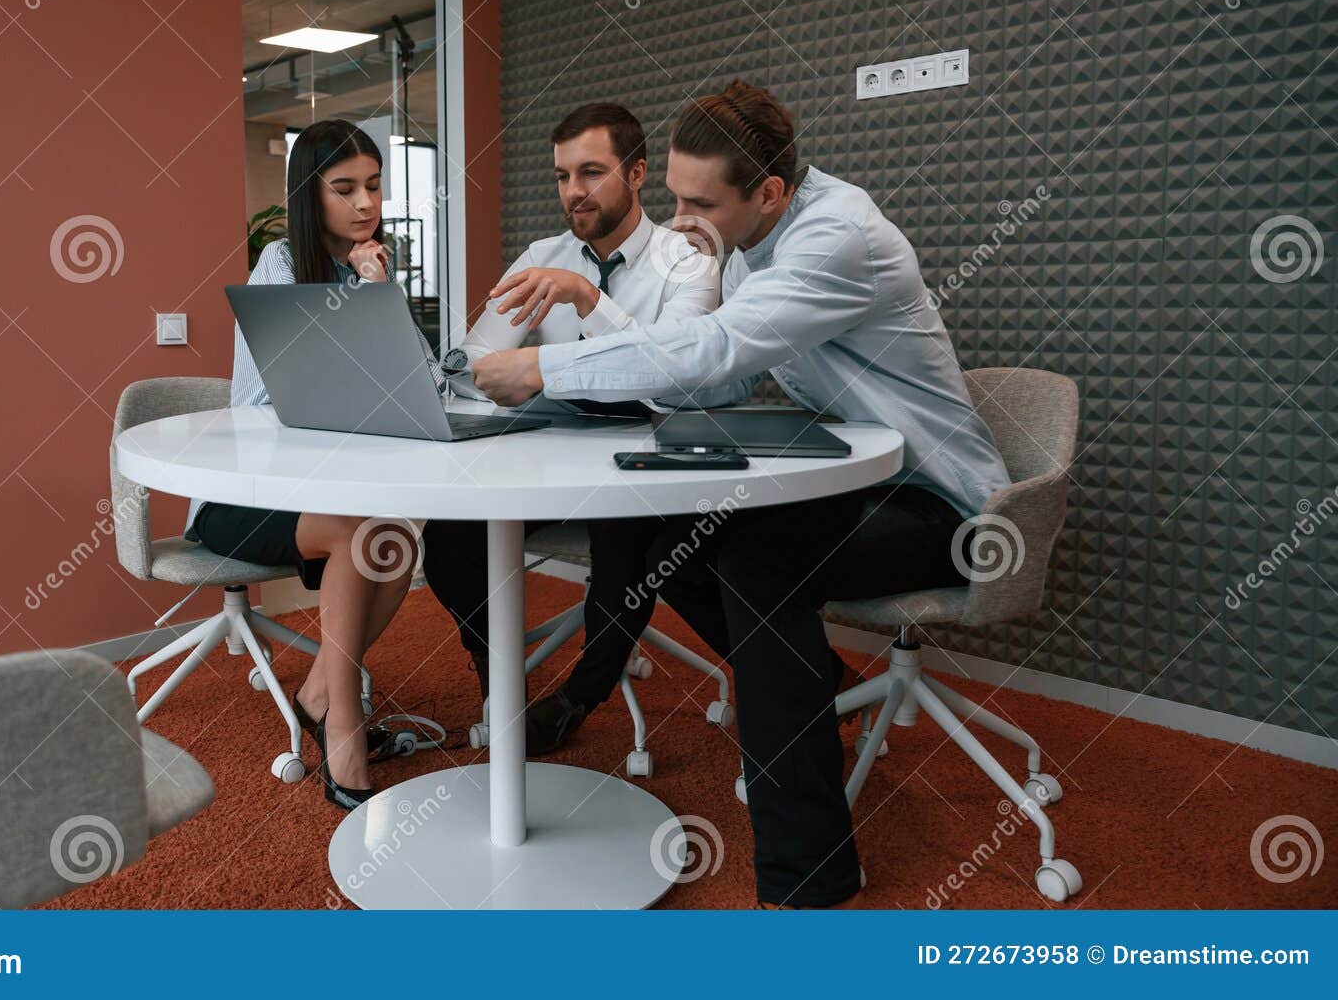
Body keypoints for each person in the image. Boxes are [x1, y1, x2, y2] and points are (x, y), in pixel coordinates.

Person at [471, 79, 1011, 907]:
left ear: (768, 191)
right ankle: (808, 684)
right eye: (676, 196)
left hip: (945, 505)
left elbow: (713, 350)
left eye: (699, 202)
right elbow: (709, 380)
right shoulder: (754, 240)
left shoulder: (836, 236)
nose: (681, 220)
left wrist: (547, 364)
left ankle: (808, 883)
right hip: (858, 477)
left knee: (759, 561)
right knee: (674, 532)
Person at [422, 102, 719, 752]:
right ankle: (498, 676)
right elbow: (477, 355)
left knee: (625, 542)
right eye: (561, 176)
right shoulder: (542, 256)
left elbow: (673, 375)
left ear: (637, 172)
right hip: (549, 455)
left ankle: (579, 696)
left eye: (590, 172)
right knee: (448, 539)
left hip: (646, 452)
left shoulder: (688, 261)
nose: (573, 192)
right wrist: (466, 363)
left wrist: (588, 299)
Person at [183, 118, 437, 811]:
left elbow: (420, 383)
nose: (365, 204)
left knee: (395, 540)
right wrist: (354, 303)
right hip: (245, 493)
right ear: (310, 193)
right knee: (364, 535)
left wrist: (381, 300)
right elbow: (276, 398)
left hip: (329, 494)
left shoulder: (371, 267)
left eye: (375, 187)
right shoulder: (281, 265)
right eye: (345, 188)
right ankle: (345, 722)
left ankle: (320, 691)